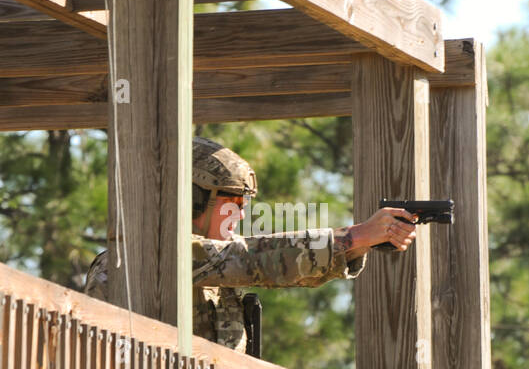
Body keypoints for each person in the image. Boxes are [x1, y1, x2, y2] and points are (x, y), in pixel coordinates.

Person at [83, 136, 418, 353]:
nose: (239, 218)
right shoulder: (148, 255)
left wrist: (359, 243)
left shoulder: (213, 275)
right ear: (193, 199)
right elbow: (254, 260)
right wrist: (355, 237)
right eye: (232, 204)